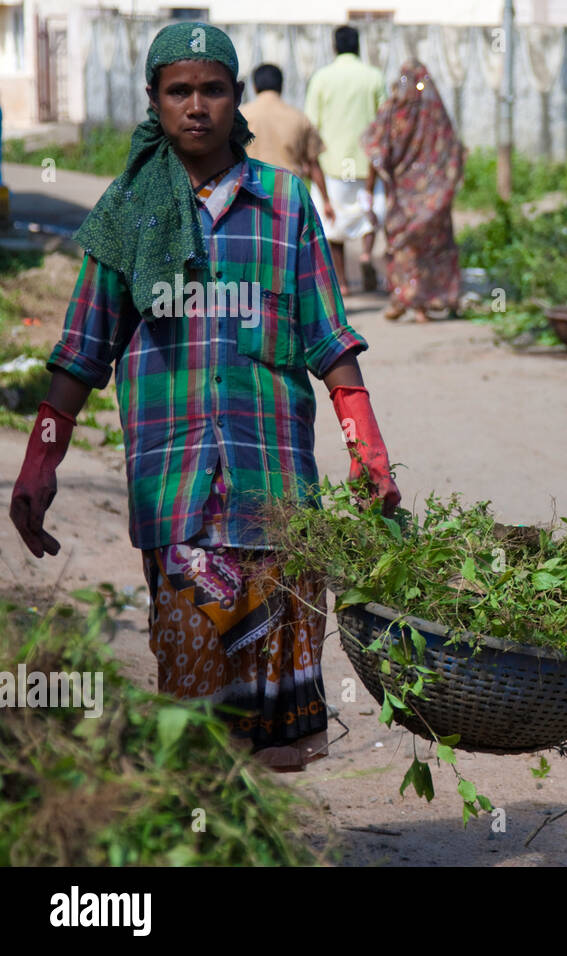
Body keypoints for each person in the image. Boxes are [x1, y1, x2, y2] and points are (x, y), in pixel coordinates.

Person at [9, 21, 401, 772]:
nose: (197, 106)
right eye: (179, 91)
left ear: (237, 99)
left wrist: (367, 448)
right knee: (195, 731)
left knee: (277, 741)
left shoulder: (286, 206)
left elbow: (330, 340)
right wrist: (38, 464)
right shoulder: (129, 214)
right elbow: (81, 353)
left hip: (275, 497)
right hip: (177, 497)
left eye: (212, 89)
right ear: (154, 102)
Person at [361, 60, 466, 322]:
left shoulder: (394, 111)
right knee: (432, 248)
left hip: (403, 196)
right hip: (434, 199)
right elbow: (454, 150)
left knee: (404, 248)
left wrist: (369, 190)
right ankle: (424, 302)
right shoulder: (437, 115)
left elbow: (376, 150)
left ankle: (406, 298)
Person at [305, 25, 386, 296]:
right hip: (367, 166)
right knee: (369, 215)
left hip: (332, 166)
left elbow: (311, 125)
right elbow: (383, 123)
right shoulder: (374, 77)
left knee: (333, 226)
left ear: (334, 47)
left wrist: (310, 162)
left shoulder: (321, 78)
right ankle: (365, 255)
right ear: (358, 46)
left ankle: (342, 282)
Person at [241, 62, 335, 226]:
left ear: (254, 86)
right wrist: (326, 201)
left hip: (250, 194)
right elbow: (314, 165)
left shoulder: (241, 116)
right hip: (288, 197)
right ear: (282, 86)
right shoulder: (300, 118)